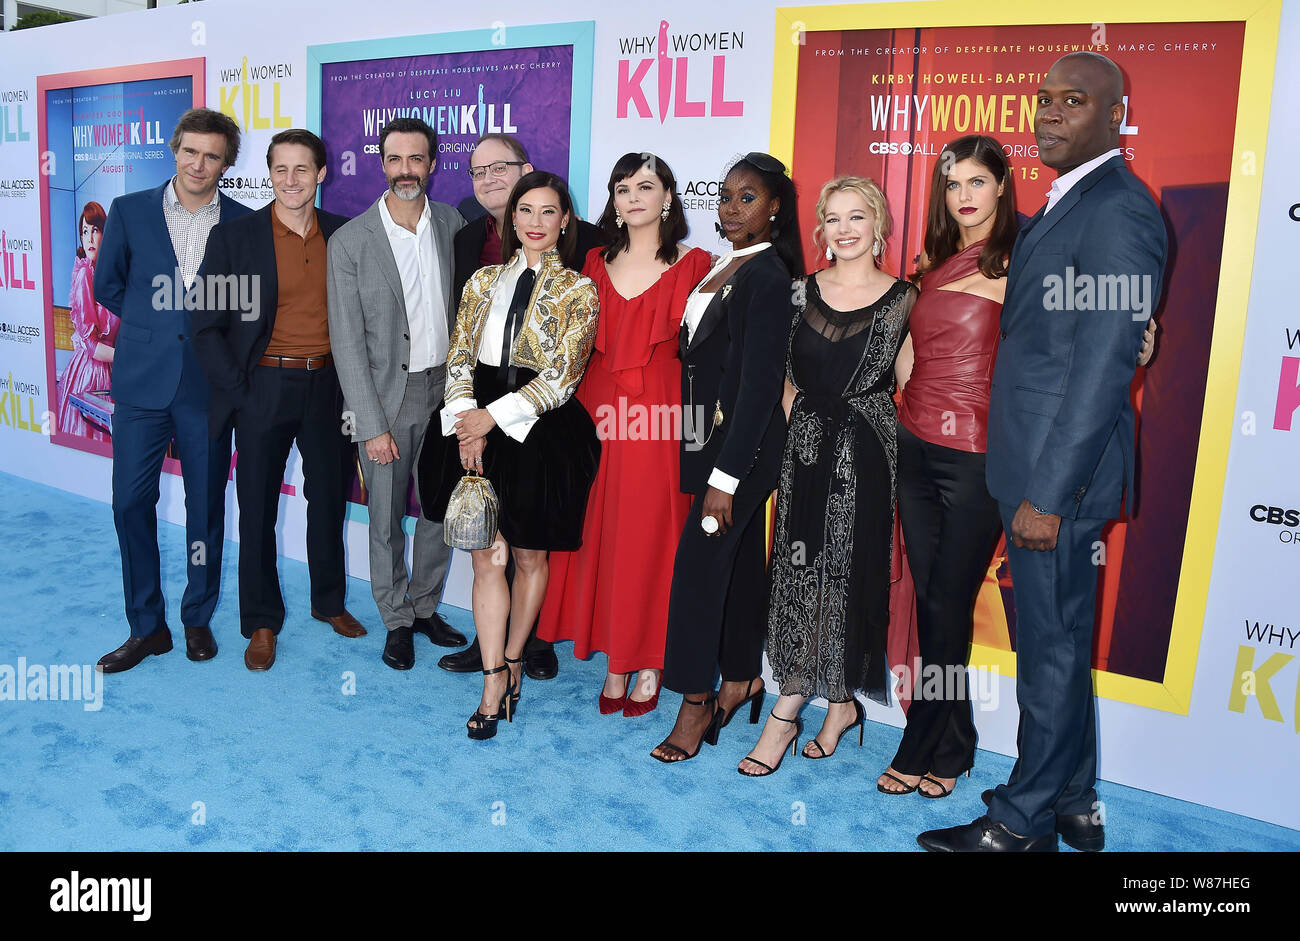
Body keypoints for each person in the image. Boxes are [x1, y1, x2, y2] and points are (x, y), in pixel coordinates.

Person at [918, 52, 1168, 852]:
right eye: (1044, 99)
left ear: (1114, 114)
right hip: (1033, 466)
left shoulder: (1119, 209)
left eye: (1074, 101)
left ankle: (1021, 822)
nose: (1050, 113)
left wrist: (1049, 495)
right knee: (1056, 644)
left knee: (1052, 653)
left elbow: (1100, 369)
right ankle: (1071, 799)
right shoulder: (1074, 201)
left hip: (1057, 481)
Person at [737, 176, 917, 776]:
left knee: (844, 576)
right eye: (832, 218)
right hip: (805, 450)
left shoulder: (904, 300)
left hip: (866, 456)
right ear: (820, 227)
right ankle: (840, 705)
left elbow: (915, 383)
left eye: (857, 217)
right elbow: (775, 371)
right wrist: (798, 416)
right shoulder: (797, 292)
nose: (844, 230)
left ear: (879, 226)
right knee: (799, 573)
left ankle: (784, 715)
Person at [420, 171, 600, 740]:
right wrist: (466, 426)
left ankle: (515, 657)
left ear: (565, 221)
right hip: (471, 422)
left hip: (539, 433)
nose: (536, 223)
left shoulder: (579, 290)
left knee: (527, 557)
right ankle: (494, 675)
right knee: (485, 556)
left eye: (550, 212)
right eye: (527, 211)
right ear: (511, 218)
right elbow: (458, 358)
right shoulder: (481, 281)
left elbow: (563, 377)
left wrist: (490, 420)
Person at [537, 152, 711, 716]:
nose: (633, 197)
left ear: (668, 198)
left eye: (646, 186)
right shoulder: (589, 261)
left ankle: (652, 658)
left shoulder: (698, 264)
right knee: (602, 531)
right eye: (622, 188)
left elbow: (714, 357)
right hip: (596, 409)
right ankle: (615, 657)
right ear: (612, 203)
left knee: (652, 535)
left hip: (661, 416)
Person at [193, 128, 365, 671]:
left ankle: (329, 602)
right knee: (258, 509)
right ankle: (261, 621)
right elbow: (204, 326)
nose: (291, 181)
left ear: (321, 174)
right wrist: (240, 391)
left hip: (329, 388)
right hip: (262, 386)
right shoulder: (236, 238)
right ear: (269, 175)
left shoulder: (345, 236)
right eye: (280, 170)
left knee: (329, 500)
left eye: (302, 169)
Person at [651, 152, 800, 762]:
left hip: (742, 450)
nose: (732, 208)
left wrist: (725, 477)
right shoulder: (726, 265)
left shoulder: (768, 275)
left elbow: (761, 387)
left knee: (696, 573)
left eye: (748, 198)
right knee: (735, 566)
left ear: (775, 208)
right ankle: (741, 677)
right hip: (706, 442)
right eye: (726, 196)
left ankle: (694, 703)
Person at [94, 108, 251, 673]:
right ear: (174, 150)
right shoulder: (129, 211)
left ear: (226, 164)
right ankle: (145, 626)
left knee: (205, 507)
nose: (198, 164)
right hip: (140, 383)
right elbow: (107, 286)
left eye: (212, 156)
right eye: (190, 151)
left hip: (207, 388)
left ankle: (196, 618)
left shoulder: (241, 222)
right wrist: (155, 328)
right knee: (130, 503)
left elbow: (243, 305)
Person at [326, 116, 468, 672]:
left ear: (432, 165)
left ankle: (427, 606)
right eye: (395, 159)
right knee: (384, 517)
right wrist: (370, 421)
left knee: (439, 509)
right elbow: (345, 339)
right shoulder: (350, 241)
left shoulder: (454, 225)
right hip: (387, 397)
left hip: (447, 391)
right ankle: (396, 618)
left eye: (417, 159)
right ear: (381, 164)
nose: (405, 170)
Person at [56, 201, 119, 441]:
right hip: (91, 373)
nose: (89, 238)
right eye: (84, 231)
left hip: (114, 368)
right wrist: (126, 356)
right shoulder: (85, 274)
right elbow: (90, 344)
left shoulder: (113, 272)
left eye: (95, 229)